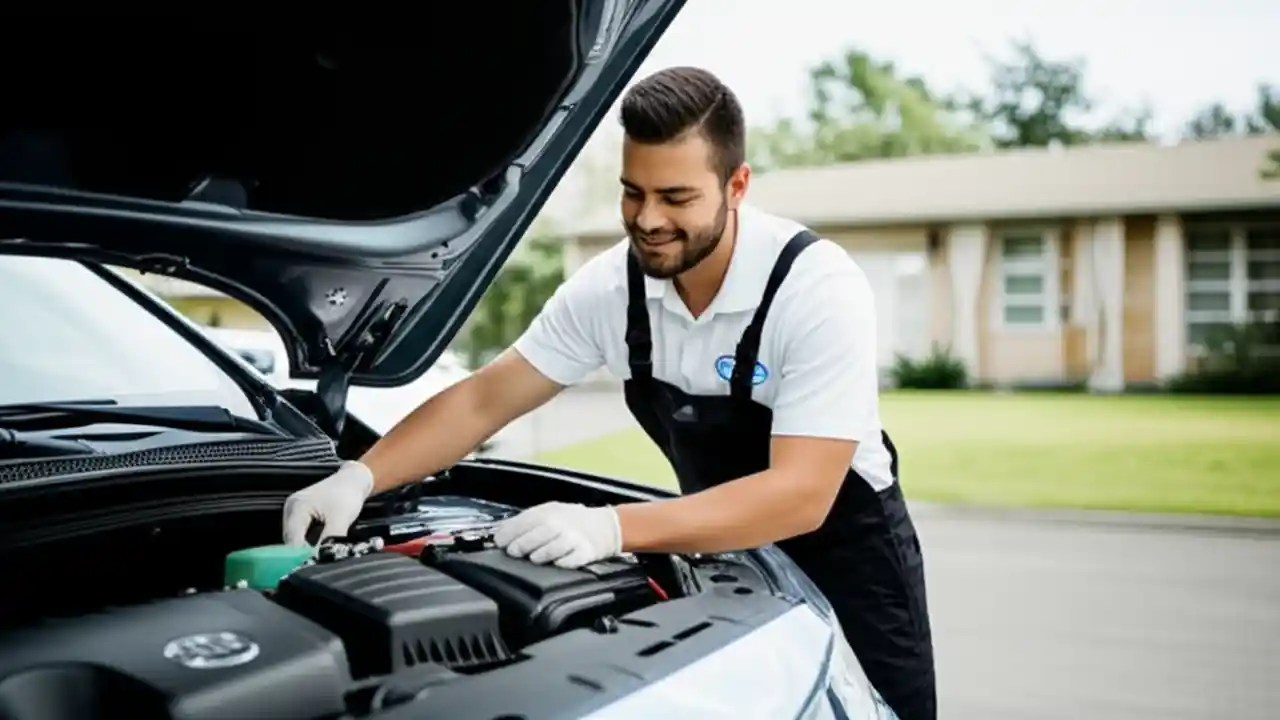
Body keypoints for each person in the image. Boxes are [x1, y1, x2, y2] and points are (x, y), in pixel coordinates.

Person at [281, 66, 935, 719]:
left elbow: (802, 493)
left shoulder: (814, 287)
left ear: (737, 186)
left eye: (676, 197)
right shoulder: (613, 289)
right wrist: (362, 477)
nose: (648, 220)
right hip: (721, 551)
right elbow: (484, 400)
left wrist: (612, 527)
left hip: (853, 561)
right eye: (633, 193)